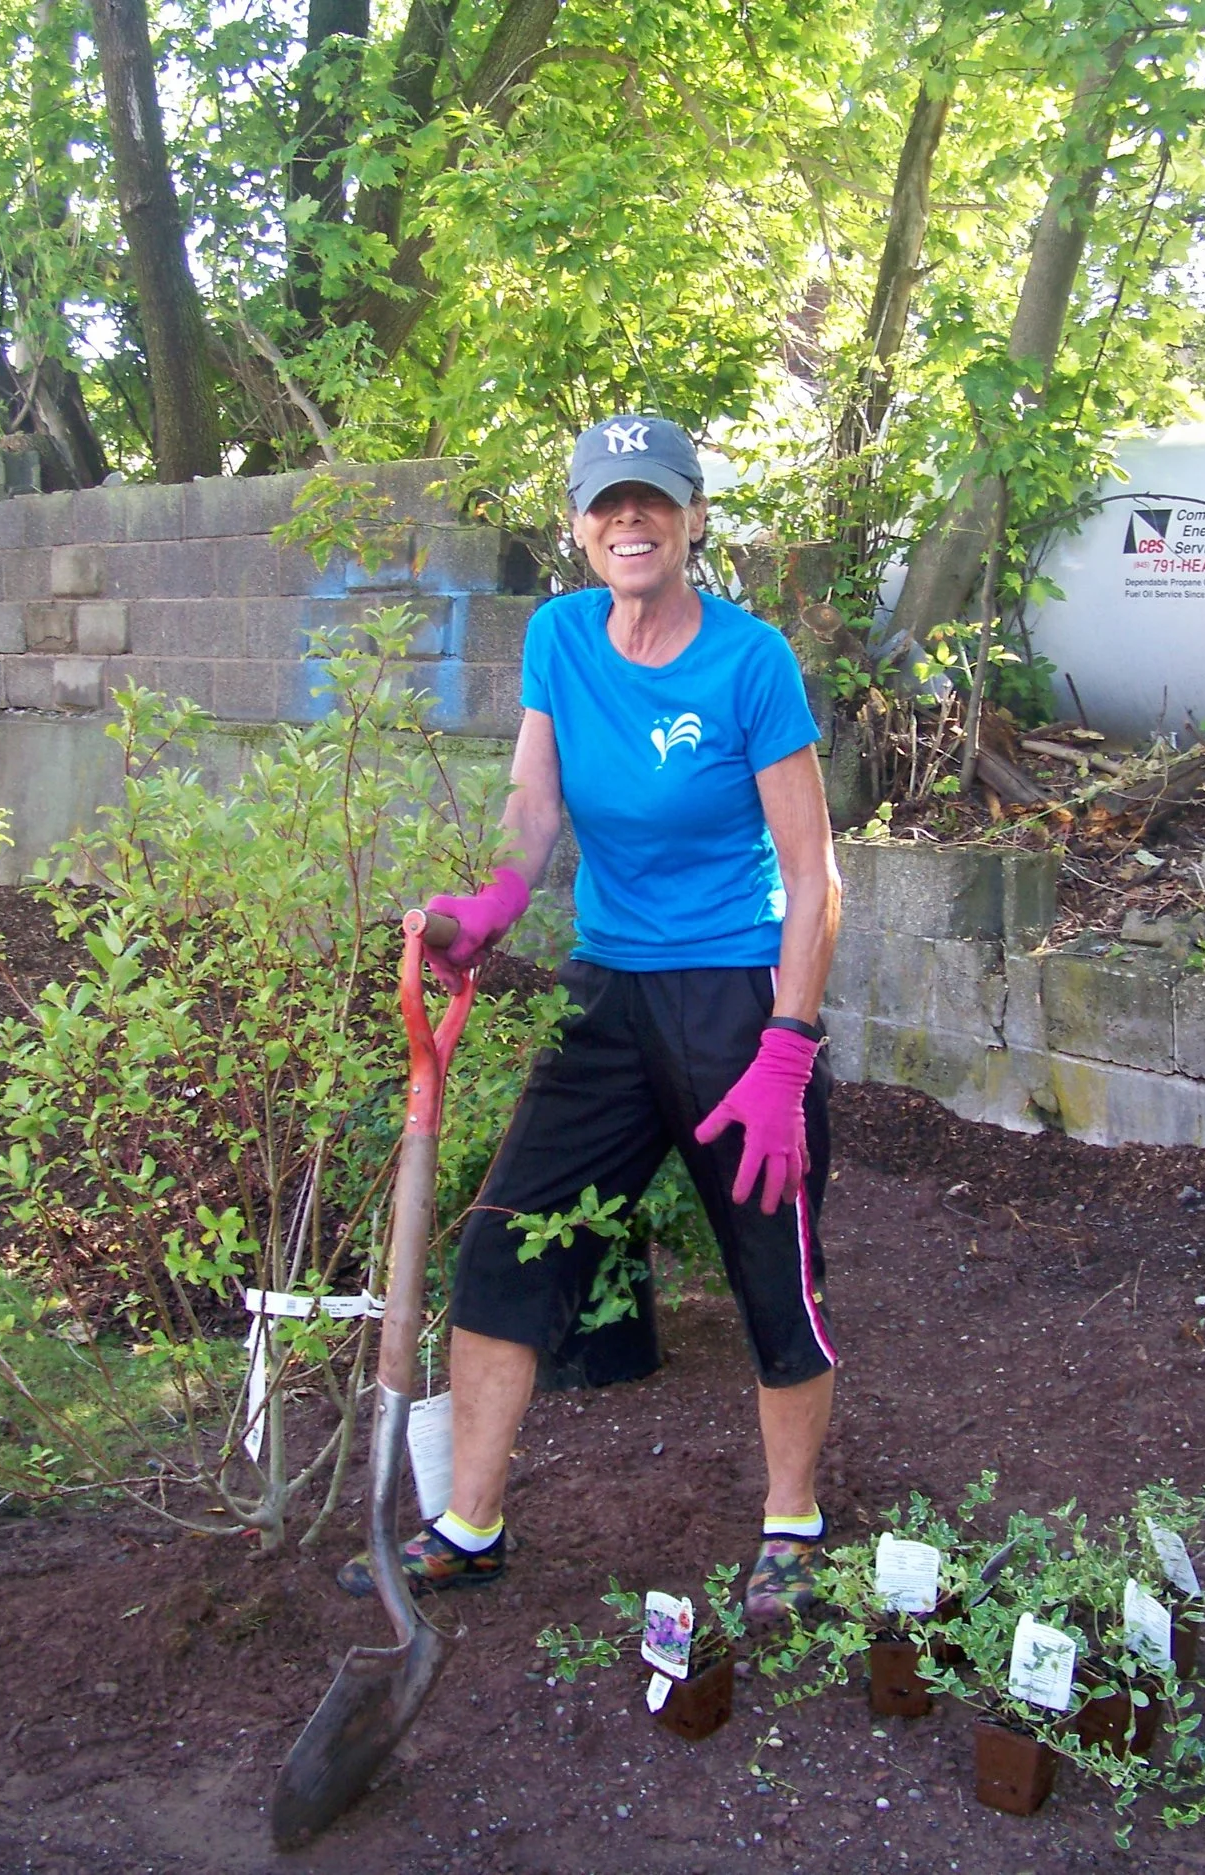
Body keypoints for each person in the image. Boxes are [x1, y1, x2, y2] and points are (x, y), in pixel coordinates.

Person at [343, 414, 844, 1625]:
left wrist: (787, 1048)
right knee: (507, 1245)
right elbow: (532, 803)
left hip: (735, 1000)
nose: (632, 521)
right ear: (577, 525)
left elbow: (814, 871)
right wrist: (491, 905)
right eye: (608, 504)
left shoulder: (749, 660)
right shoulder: (562, 638)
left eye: (654, 502)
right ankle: (469, 1525)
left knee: (773, 1274)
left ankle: (791, 1521)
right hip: (608, 995)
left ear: (692, 519)